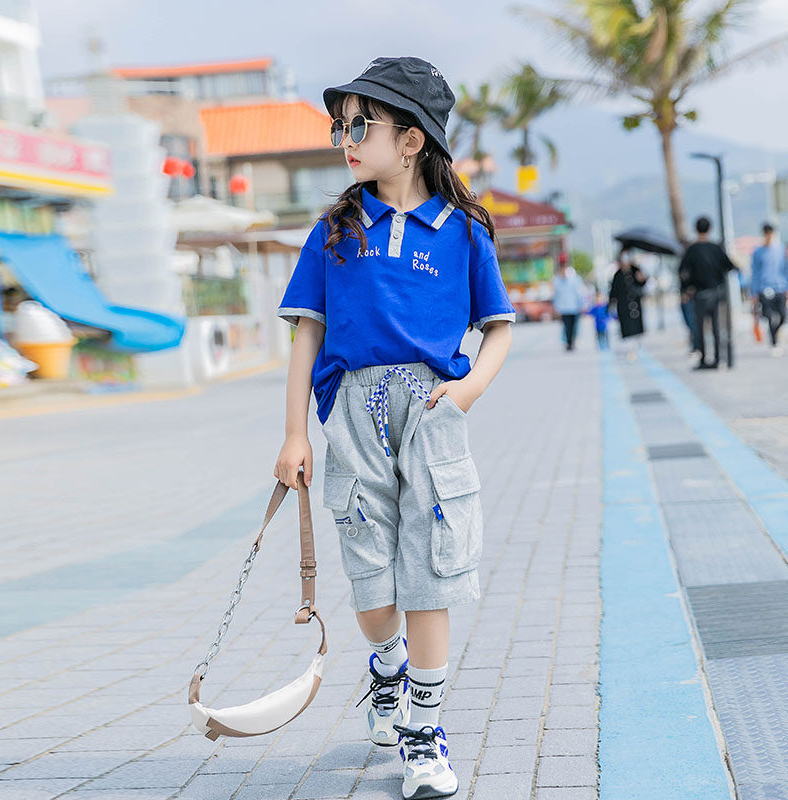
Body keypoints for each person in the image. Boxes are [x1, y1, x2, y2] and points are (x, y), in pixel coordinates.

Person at [273, 57, 515, 800]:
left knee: (431, 571)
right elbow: (306, 335)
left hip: (433, 411)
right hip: (352, 413)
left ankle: (423, 730)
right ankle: (386, 667)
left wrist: (466, 390)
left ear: (411, 141)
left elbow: (498, 330)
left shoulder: (464, 230)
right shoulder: (337, 228)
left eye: (360, 124)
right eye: (340, 125)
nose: (345, 137)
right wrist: (295, 436)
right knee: (370, 577)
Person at [678, 216, 736, 370]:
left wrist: (686, 288)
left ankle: (704, 359)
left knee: (700, 327)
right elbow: (729, 266)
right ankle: (718, 359)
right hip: (716, 293)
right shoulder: (716, 248)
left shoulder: (691, 250)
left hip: (699, 294)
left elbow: (683, 272)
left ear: (695, 229)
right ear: (709, 228)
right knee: (717, 328)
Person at [751, 223, 788, 356]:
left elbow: (786, 269)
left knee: (783, 316)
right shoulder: (758, 252)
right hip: (764, 288)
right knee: (770, 316)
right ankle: (774, 342)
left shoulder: (781, 250)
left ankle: (776, 336)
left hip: (780, 287)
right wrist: (754, 293)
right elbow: (754, 273)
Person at [607, 247, 647, 355]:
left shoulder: (636, 270)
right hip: (623, 304)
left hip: (635, 302)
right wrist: (610, 305)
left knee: (636, 324)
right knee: (626, 325)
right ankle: (629, 347)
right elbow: (613, 291)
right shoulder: (618, 274)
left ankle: (637, 345)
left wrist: (642, 278)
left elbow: (643, 283)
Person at [552, 262, 585, 350]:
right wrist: (556, 308)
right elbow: (556, 295)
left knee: (574, 326)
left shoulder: (575, 279)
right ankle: (568, 342)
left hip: (575, 307)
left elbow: (580, 293)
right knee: (567, 327)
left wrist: (581, 304)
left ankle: (572, 341)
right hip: (564, 308)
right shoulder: (557, 281)